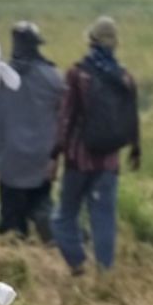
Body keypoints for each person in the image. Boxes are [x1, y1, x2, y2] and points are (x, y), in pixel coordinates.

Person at [51, 17, 140, 280]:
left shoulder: (79, 74)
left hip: (78, 160)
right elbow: (132, 117)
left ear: (90, 41)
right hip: (110, 162)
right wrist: (136, 149)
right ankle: (104, 273)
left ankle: (78, 265)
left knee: (64, 216)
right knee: (103, 219)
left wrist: (55, 153)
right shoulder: (125, 77)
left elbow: (66, 117)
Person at [0, 24, 64, 244]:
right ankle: (51, 241)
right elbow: (64, 113)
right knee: (41, 205)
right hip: (42, 157)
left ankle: (15, 250)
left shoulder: (1, 78)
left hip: (9, 158)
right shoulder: (53, 77)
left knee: (12, 219)